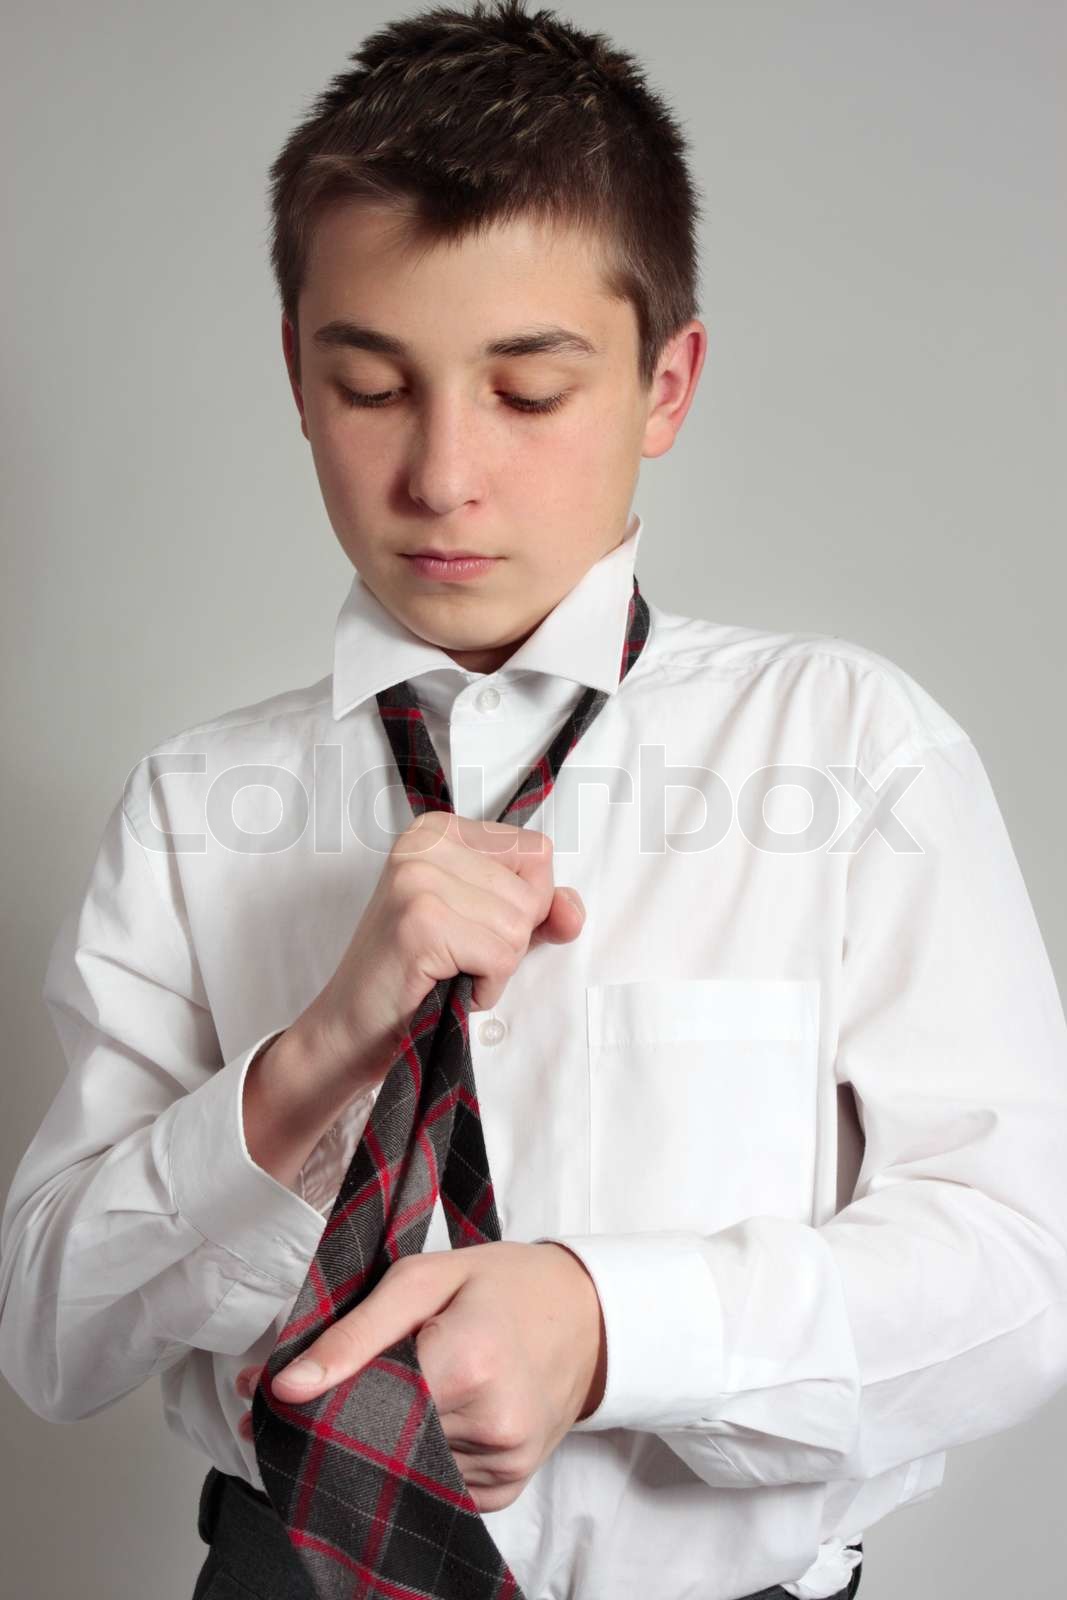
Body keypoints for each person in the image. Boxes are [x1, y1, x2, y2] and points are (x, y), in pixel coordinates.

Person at [2, 2, 1066, 1597]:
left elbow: (1021, 1279)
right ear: (297, 376)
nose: (442, 475)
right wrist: (305, 1067)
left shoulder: (849, 753)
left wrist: (605, 1321)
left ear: (665, 383)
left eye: (528, 390)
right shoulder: (190, 805)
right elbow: (51, 1337)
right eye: (373, 386)